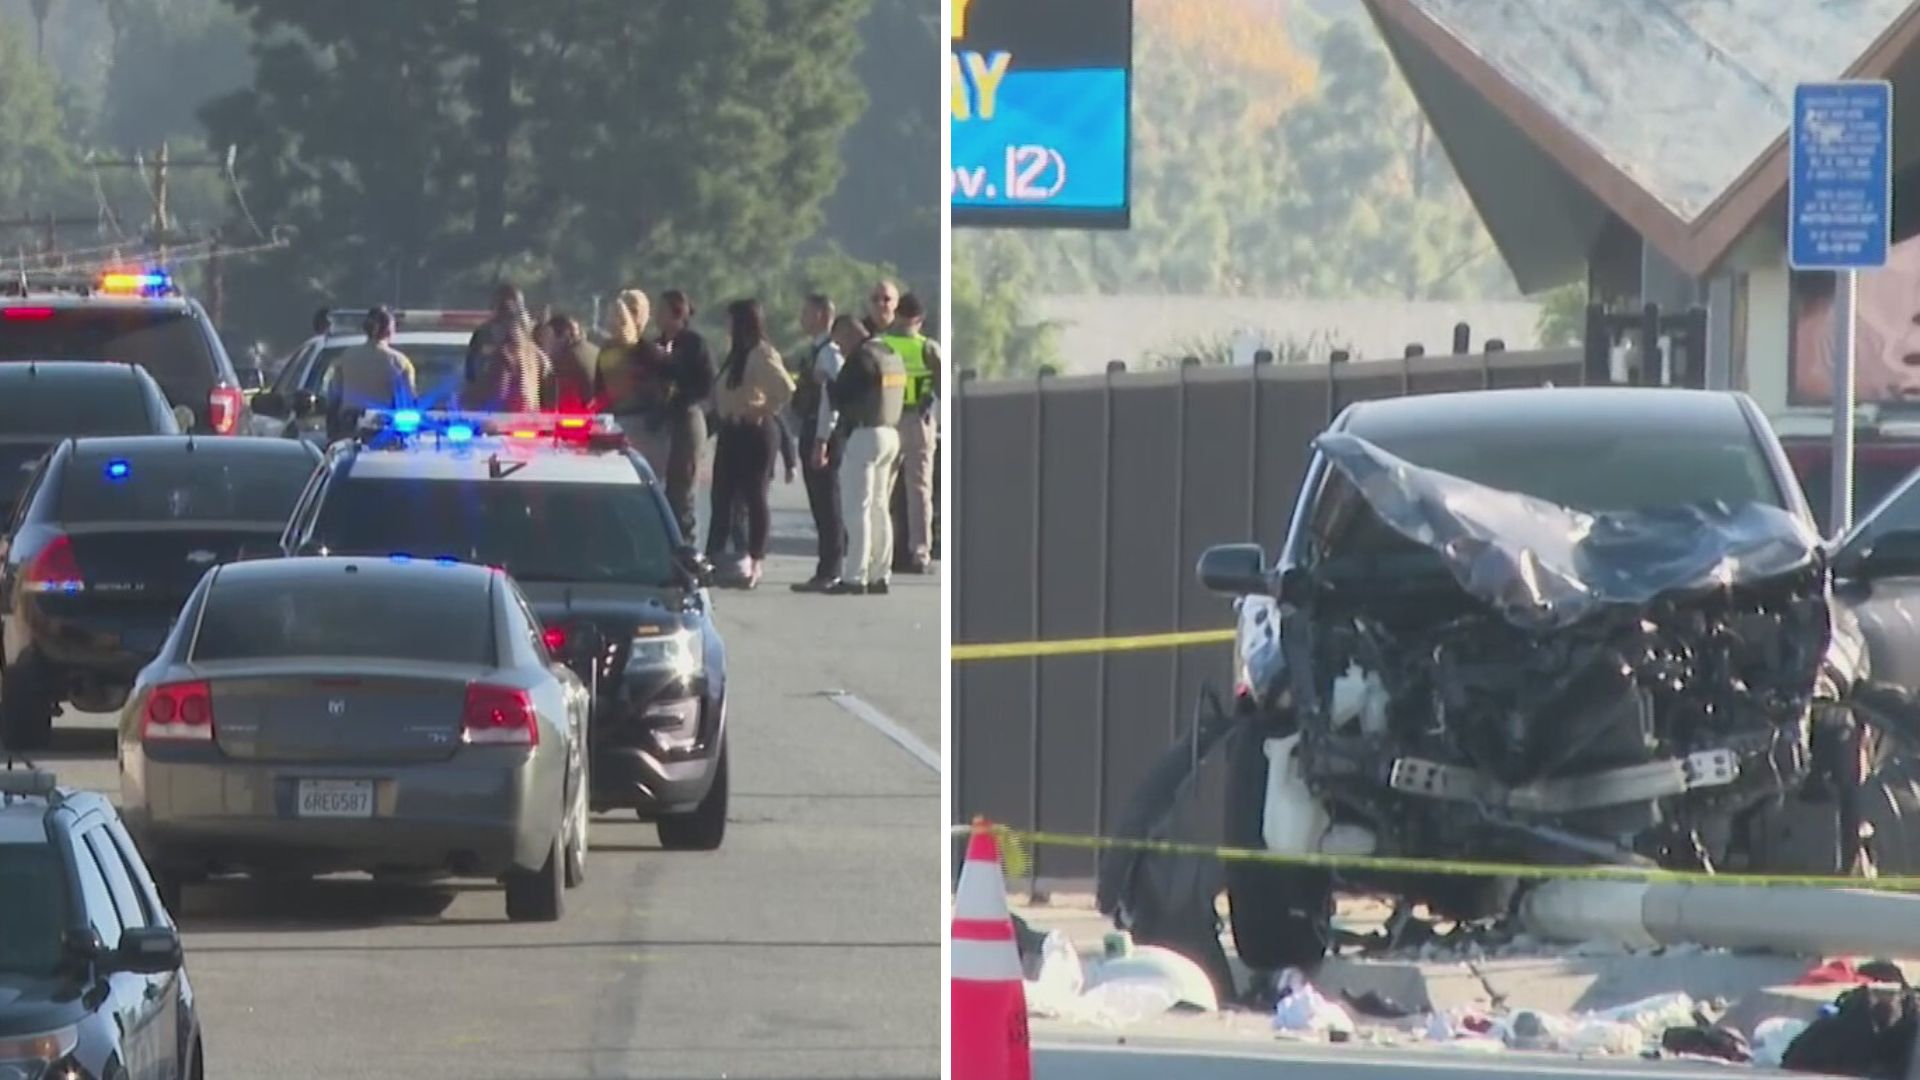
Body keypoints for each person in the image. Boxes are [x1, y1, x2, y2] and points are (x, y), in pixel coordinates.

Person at [705, 299, 794, 589]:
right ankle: (715, 558)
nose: (726, 326)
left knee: (755, 497)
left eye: (731, 320)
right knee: (722, 496)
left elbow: (785, 389)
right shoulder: (737, 355)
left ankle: (755, 560)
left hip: (754, 432)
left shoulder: (761, 353)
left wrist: (760, 409)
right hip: (731, 431)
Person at [826, 315, 904, 596]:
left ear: (848, 334)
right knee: (880, 507)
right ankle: (880, 574)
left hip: (865, 434)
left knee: (856, 509)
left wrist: (826, 382)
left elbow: (842, 396)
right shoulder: (889, 353)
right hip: (891, 433)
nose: (840, 350)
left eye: (839, 343)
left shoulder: (860, 359)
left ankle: (854, 576)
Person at [881, 291, 942, 574]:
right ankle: (920, 551)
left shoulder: (882, 344)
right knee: (920, 490)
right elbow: (943, 386)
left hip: (886, 420)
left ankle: (880, 548)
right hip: (918, 419)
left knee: (882, 488)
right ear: (920, 319)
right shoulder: (928, 347)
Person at [791, 292, 846, 592]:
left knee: (828, 504)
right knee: (819, 504)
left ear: (823, 316)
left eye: (807, 313)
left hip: (822, 434)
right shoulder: (815, 351)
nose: (802, 319)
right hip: (812, 430)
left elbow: (831, 402)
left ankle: (832, 568)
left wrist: (822, 440)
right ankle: (824, 567)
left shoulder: (829, 355)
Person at [656, 290, 716, 541]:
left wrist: (671, 365)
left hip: (687, 418)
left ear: (676, 313)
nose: (657, 315)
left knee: (682, 490)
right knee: (661, 490)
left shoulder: (694, 344)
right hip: (661, 421)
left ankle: (686, 545)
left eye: (662, 310)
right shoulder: (657, 343)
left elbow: (706, 387)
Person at [326, 306, 417, 440]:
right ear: (389, 330)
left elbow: (334, 394)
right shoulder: (400, 361)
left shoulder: (346, 356)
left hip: (349, 426)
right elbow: (408, 401)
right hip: (384, 428)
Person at [464, 282, 524, 404]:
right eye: (504, 305)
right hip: (487, 401)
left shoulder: (529, 335)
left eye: (514, 305)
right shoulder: (483, 333)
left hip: (522, 404)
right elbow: (470, 368)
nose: (508, 310)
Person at [480, 313, 550, 413]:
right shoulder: (535, 351)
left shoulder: (505, 353)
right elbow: (546, 369)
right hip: (531, 410)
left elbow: (501, 390)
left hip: (508, 412)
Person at [543, 313, 597, 411]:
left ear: (563, 336)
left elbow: (552, 402)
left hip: (579, 417)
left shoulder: (564, 360)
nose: (547, 345)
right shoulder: (594, 349)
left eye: (549, 339)